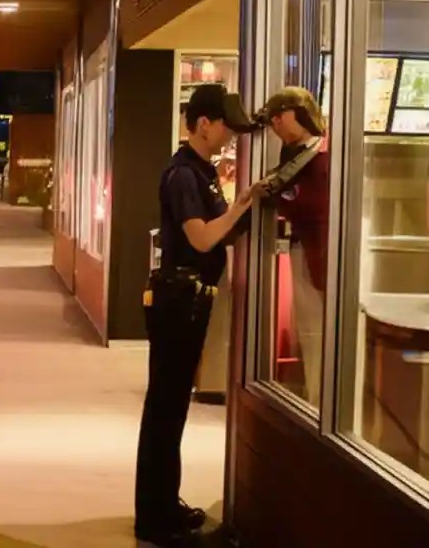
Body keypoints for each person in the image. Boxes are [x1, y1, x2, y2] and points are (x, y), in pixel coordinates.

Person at [135, 84, 257, 547]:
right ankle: (155, 519)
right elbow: (203, 238)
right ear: (202, 123)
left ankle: (165, 505)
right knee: (165, 410)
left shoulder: (201, 172)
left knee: (172, 409)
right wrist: (242, 204)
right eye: (225, 125)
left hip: (188, 299)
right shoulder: (184, 174)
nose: (229, 135)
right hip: (178, 300)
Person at [255, 87, 329, 406]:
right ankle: (314, 397)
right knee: (309, 334)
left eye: (276, 120)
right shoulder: (297, 153)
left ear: (291, 115)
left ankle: (321, 402)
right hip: (307, 250)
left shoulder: (321, 155)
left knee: (318, 333)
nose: (275, 129)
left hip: (322, 255)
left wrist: (273, 195)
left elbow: (307, 202)